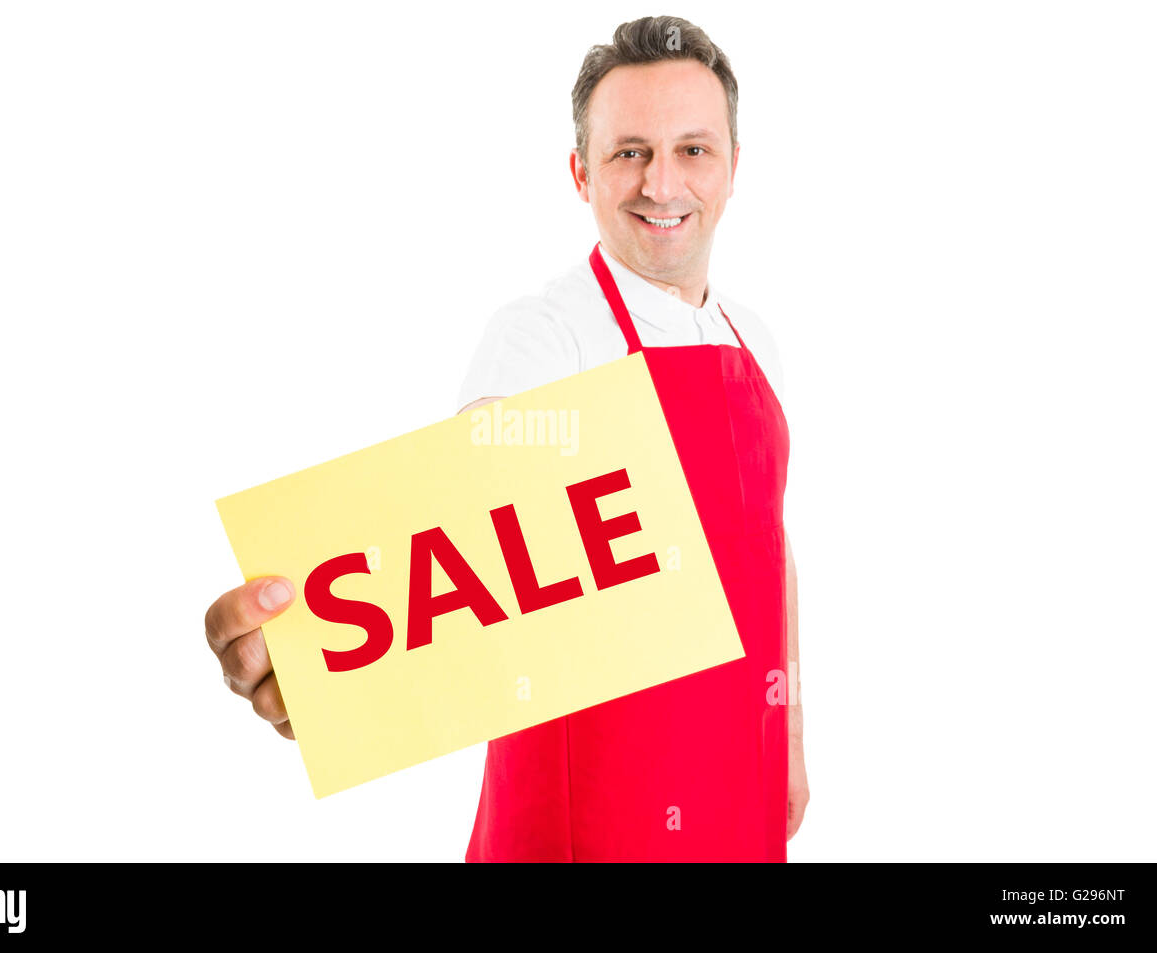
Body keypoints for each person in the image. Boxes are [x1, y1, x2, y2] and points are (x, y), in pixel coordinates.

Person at [203, 15, 809, 862]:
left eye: (694, 150)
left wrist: (790, 740)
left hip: (735, 793)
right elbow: (454, 535)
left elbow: (768, 546)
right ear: (580, 173)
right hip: (589, 819)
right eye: (629, 150)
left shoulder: (757, 340)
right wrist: (324, 667)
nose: (662, 182)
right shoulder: (544, 337)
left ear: (735, 168)